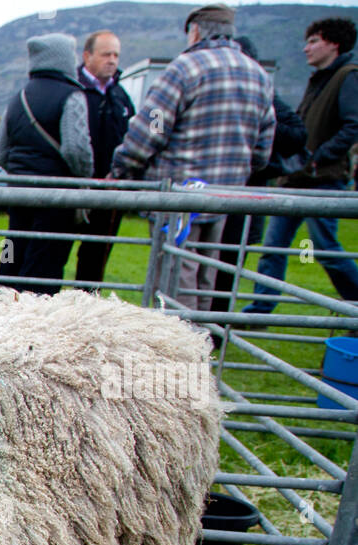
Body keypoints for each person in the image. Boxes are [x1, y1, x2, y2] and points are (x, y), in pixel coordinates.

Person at [110, 5, 273, 313]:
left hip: (180, 196)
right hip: (227, 195)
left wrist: (122, 166)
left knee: (175, 273)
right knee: (206, 272)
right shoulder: (258, 76)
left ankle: (178, 345)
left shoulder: (184, 69)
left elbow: (152, 129)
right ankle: (200, 342)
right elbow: (264, 145)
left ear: (195, 31)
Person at [243, 16, 358, 315]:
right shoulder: (319, 79)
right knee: (273, 248)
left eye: (313, 41)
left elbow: (353, 125)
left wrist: (318, 156)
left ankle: (357, 303)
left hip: (322, 179)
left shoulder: (347, 77)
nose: (306, 48)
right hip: (296, 179)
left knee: (325, 249)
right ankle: (260, 309)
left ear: (333, 43)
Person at [209, 37, 307, 315]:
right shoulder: (215, 92)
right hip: (209, 191)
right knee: (196, 259)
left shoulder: (263, 93)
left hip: (242, 195)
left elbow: (297, 135)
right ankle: (194, 324)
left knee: (227, 261)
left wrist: (256, 127)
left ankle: (215, 326)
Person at [0, 33, 93, 294]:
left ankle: (0, 309)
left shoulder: (19, 97)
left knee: (11, 254)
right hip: (56, 199)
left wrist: (21, 171)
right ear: (65, 59)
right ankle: (35, 324)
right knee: (43, 266)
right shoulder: (72, 95)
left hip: (18, 196)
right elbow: (77, 150)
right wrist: (84, 177)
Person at [74, 29, 134, 288]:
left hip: (110, 191)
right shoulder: (73, 91)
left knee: (95, 259)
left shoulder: (121, 97)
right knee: (54, 252)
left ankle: (84, 313)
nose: (112, 60)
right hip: (73, 190)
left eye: (116, 55)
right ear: (87, 56)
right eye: (105, 54)